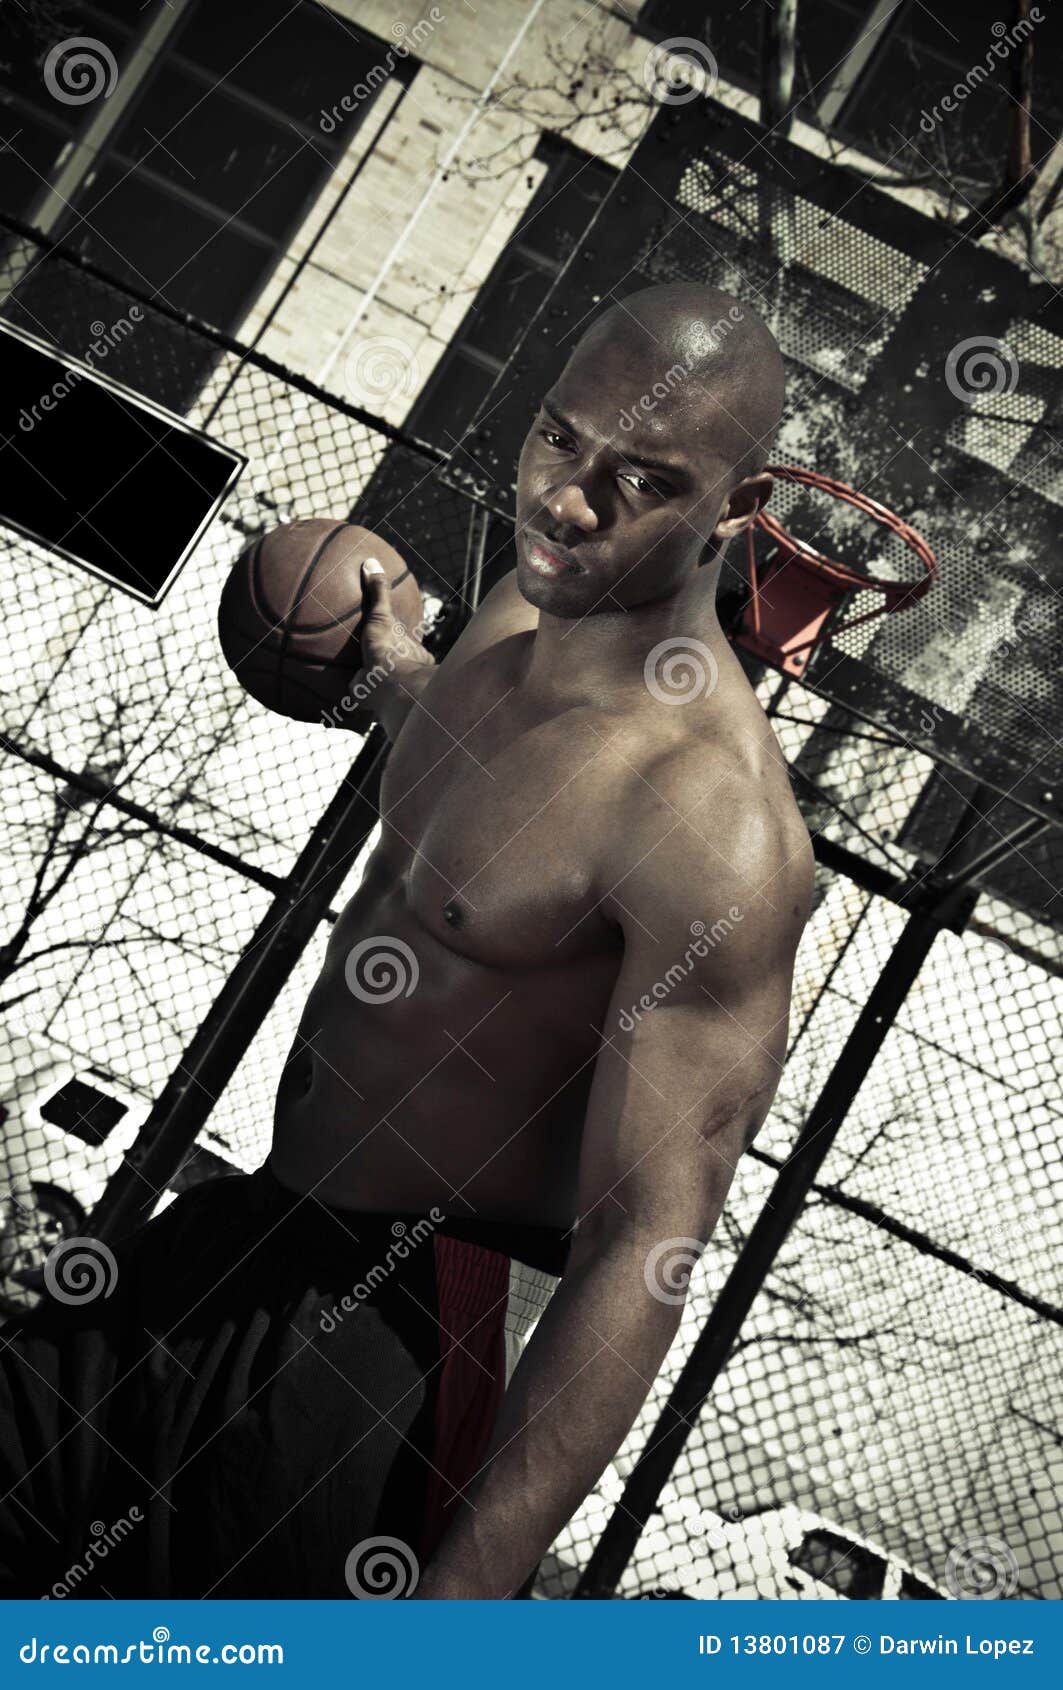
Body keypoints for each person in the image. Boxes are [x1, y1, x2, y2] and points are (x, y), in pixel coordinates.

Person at [0, 282, 812, 1599]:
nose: (566, 502)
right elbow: (484, 784)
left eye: (644, 481)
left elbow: (643, 1246)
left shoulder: (711, 819)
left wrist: (464, 1605)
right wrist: (382, 664)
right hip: (242, 1237)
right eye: (561, 439)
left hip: (387, 1348)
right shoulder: (519, 619)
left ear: (741, 503)